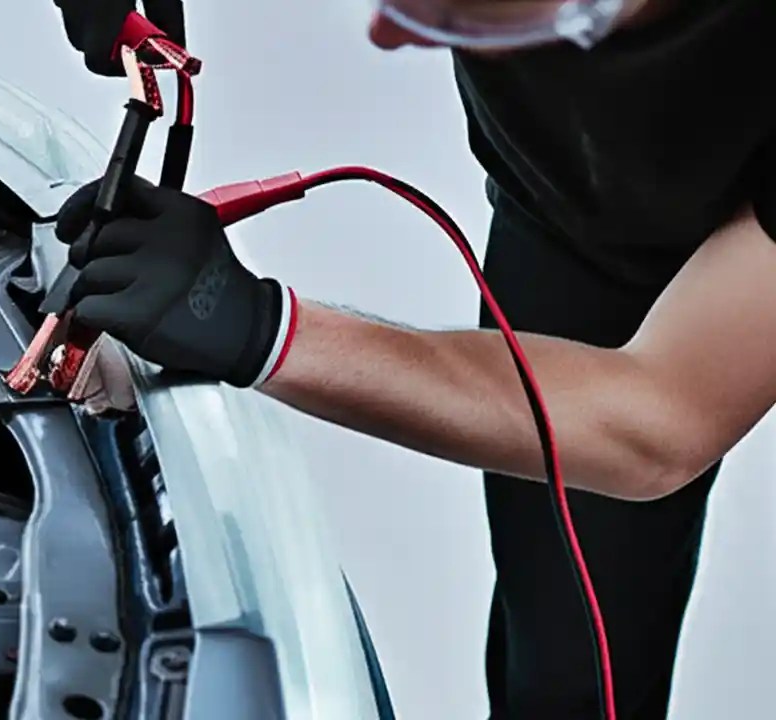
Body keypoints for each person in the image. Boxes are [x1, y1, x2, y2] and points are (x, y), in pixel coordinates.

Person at [50, 0, 776, 717]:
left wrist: (258, 326)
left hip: (694, 262)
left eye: (463, 14)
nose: (388, 34)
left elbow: (659, 419)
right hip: (573, 214)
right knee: (556, 644)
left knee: (582, 669)